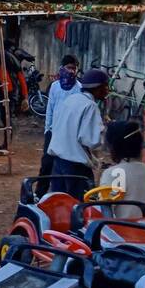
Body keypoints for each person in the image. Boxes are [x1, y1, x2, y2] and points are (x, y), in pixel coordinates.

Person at [46, 67, 108, 199]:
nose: (108, 90)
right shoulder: (90, 106)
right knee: (81, 207)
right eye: (106, 86)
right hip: (76, 166)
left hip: (58, 162)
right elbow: (91, 140)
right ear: (97, 88)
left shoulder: (71, 99)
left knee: (60, 204)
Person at [39, 55, 81, 177]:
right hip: (53, 131)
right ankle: (40, 194)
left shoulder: (79, 88)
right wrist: (47, 129)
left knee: (67, 165)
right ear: (62, 68)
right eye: (69, 68)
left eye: (74, 68)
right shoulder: (55, 86)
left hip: (70, 134)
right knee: (47, 163)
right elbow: (50, 109)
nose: (72, 71)